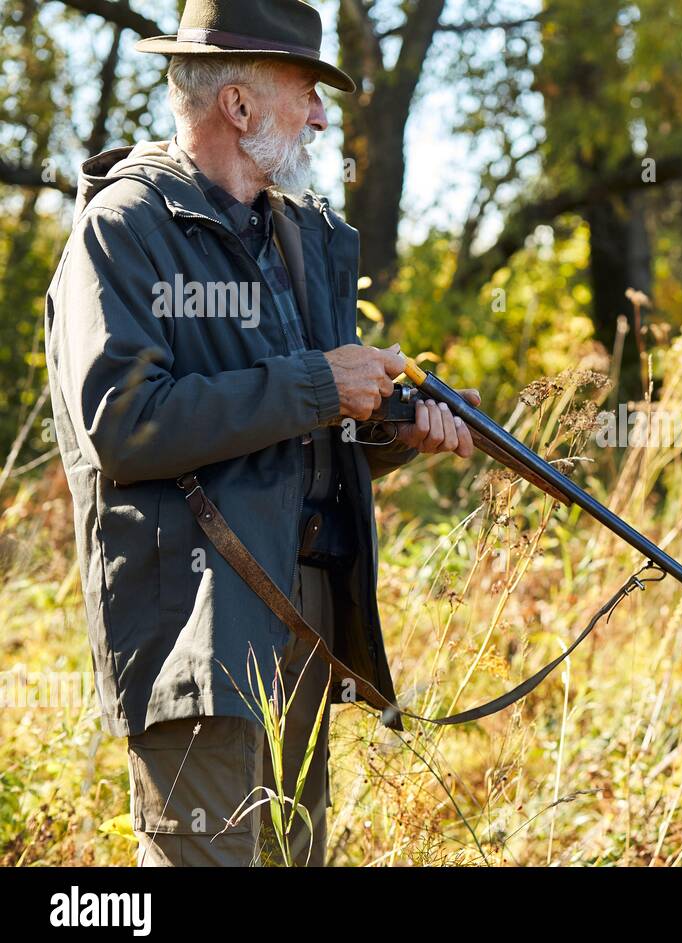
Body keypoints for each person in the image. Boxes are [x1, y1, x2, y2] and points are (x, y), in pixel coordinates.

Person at [43, 0, 472, 866]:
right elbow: (122, 425)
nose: (321, 114)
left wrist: (391, 431)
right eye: (307, 90)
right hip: (197, 630)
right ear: (238, 108)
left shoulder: (301, 239)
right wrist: (321, 382)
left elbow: (293, 439)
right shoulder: (122, 232)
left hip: (303, 617)